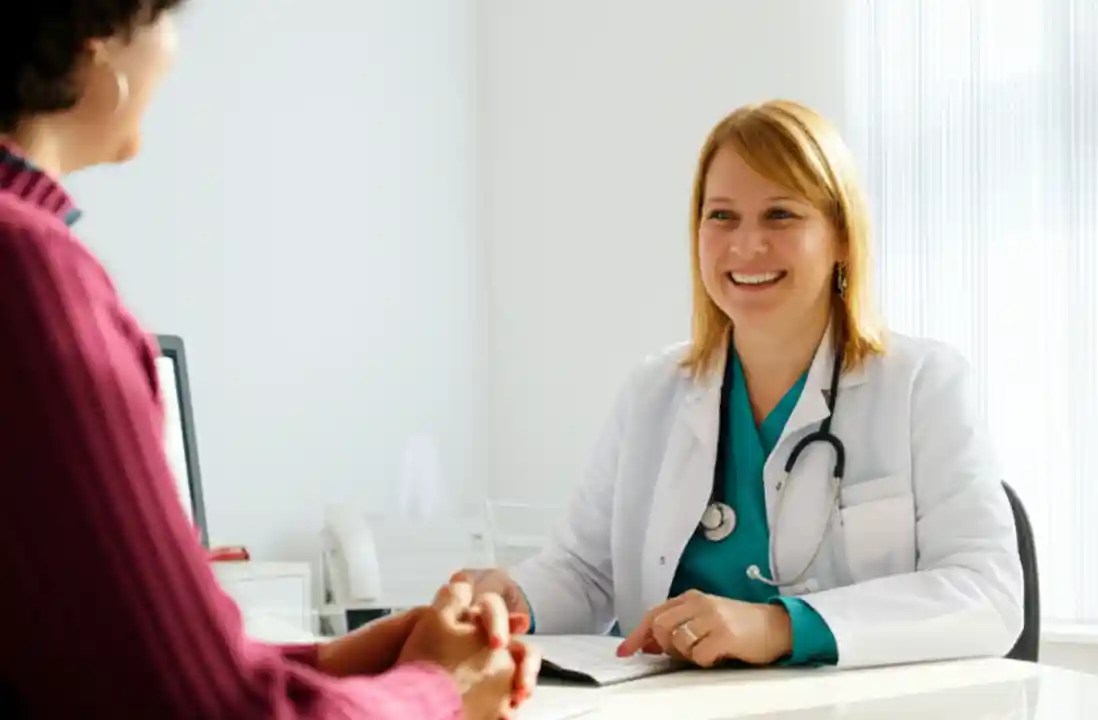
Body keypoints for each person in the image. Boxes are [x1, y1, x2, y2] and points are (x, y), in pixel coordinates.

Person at [0, 3, 538, 718]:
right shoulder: (28, 274)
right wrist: (441, 691)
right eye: (172, 21)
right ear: (95, 38)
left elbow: (85, 661)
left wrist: (340, 659)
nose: (175, 54)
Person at [458, 100, 1024, 670]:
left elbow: (987, 593)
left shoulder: (921, 385)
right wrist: (514, 600)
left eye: (781, 215)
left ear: (842, 237)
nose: (746, 245)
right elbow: (582, 571)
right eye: (722, 216)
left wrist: (778, 626)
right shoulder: (652, 394)